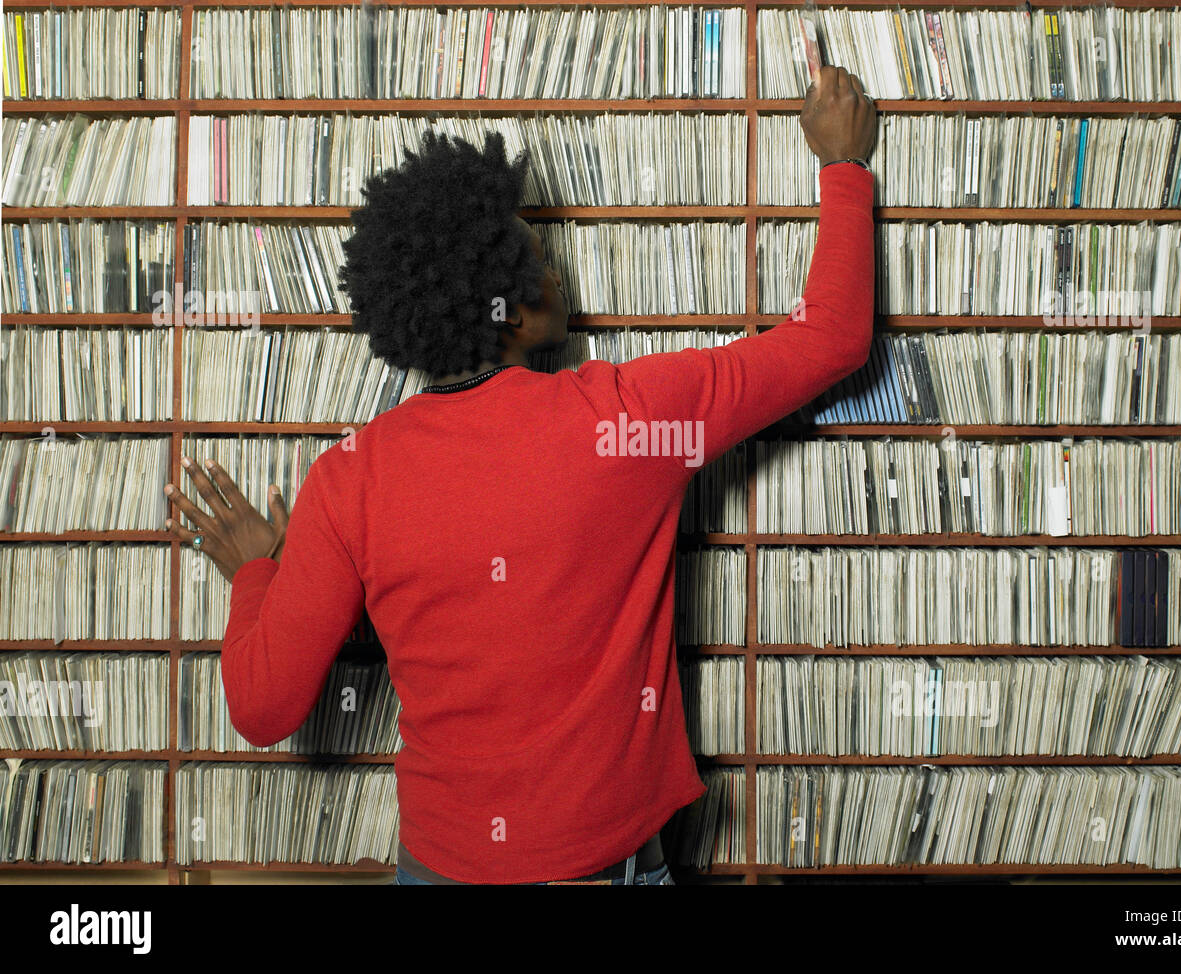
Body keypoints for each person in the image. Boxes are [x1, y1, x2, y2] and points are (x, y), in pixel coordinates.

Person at [163, 65, 877, 885]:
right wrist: (843, 165)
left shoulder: (346, 480)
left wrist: (256, 571)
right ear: (511, 307)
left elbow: (260, 708)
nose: (560, 274)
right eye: (541, 259)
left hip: (439, 866)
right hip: (600, 864)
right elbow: (831, 340)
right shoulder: (628, 417)